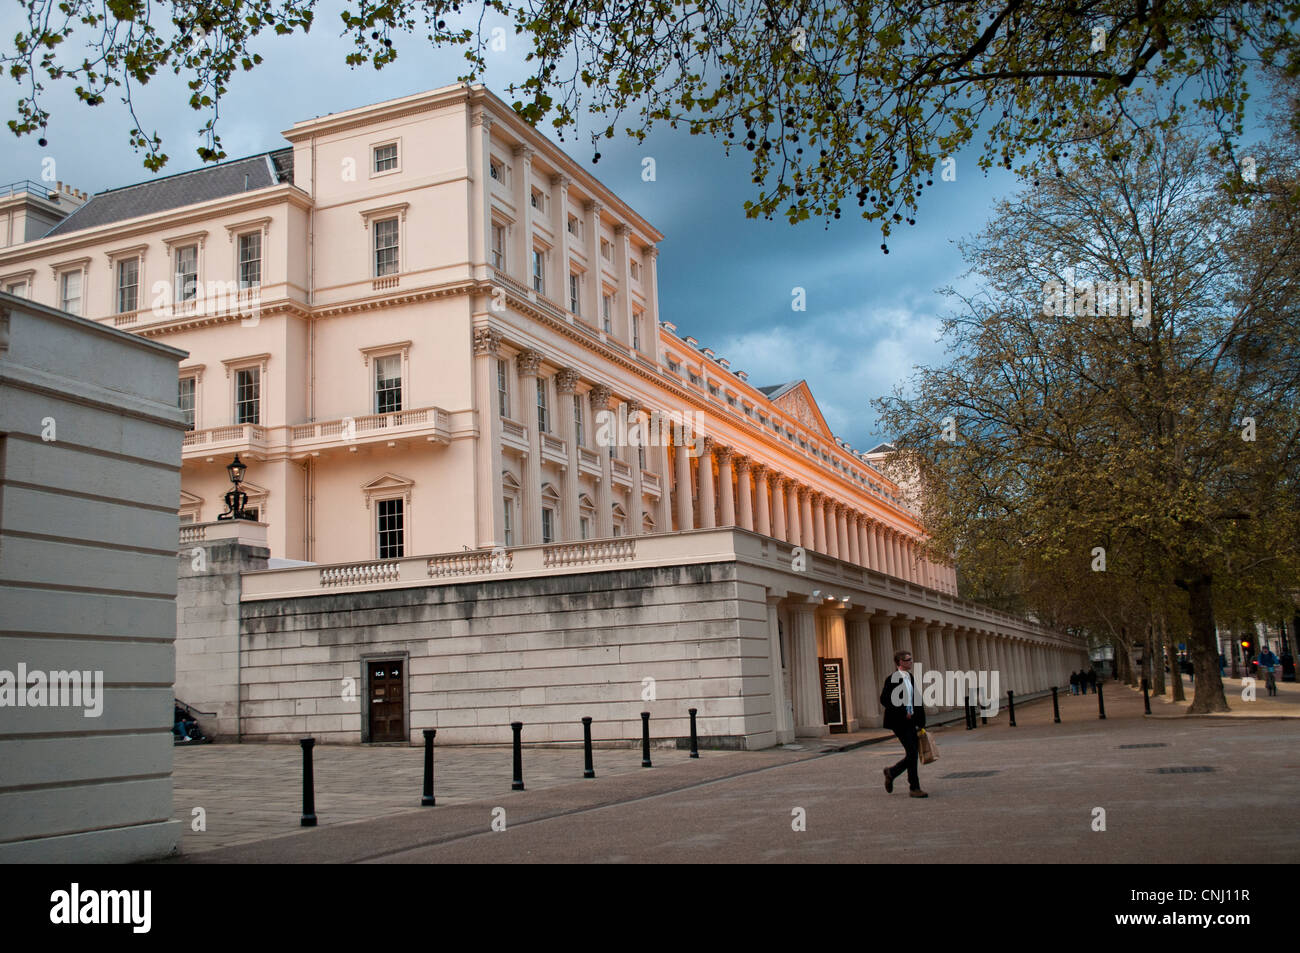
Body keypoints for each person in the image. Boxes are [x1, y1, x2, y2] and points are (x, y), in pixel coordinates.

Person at [880, 649, 928, 798]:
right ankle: (913, 786)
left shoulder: (910, 677)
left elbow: (916, 700)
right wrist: (902, 711)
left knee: (912, 753)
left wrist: (921, 722)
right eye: (907, 660)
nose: (910, 662)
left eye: (910, 659)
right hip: (899, 722)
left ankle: (893, 773)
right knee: (912, 753)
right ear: (900, 662)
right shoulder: (892, 679)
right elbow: (885, 700)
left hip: (911, 721)